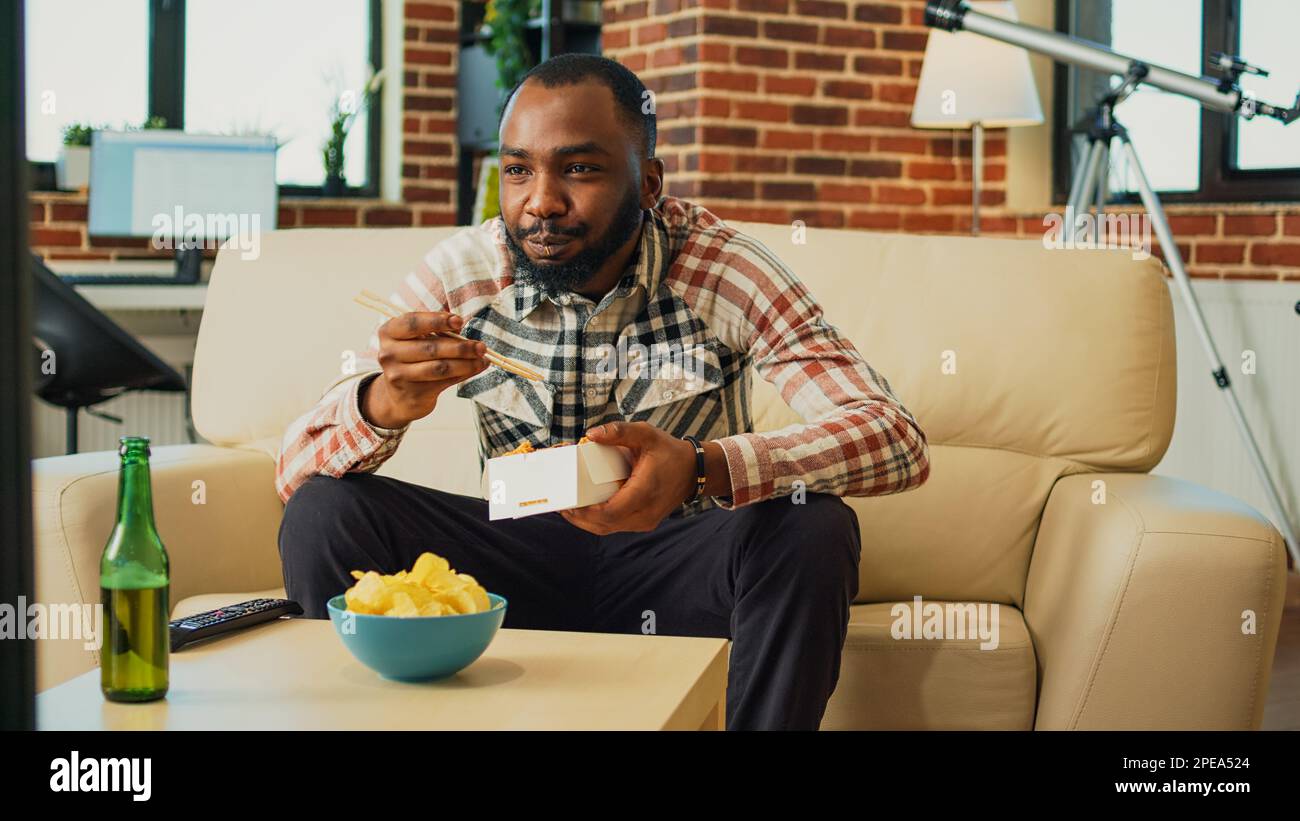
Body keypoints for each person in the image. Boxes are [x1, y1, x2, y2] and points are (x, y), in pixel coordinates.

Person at [275, 54, 930, 730]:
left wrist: (702, 466)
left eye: (580, 169)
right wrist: (386, 402)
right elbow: (293, 472)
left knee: (810, 525)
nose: (541, 202)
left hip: (674, 563)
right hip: (509, 570)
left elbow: (894, 437)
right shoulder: (464, 273)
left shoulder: (721, 265)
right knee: (326, 511)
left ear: (647, 184)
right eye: (519, 169)